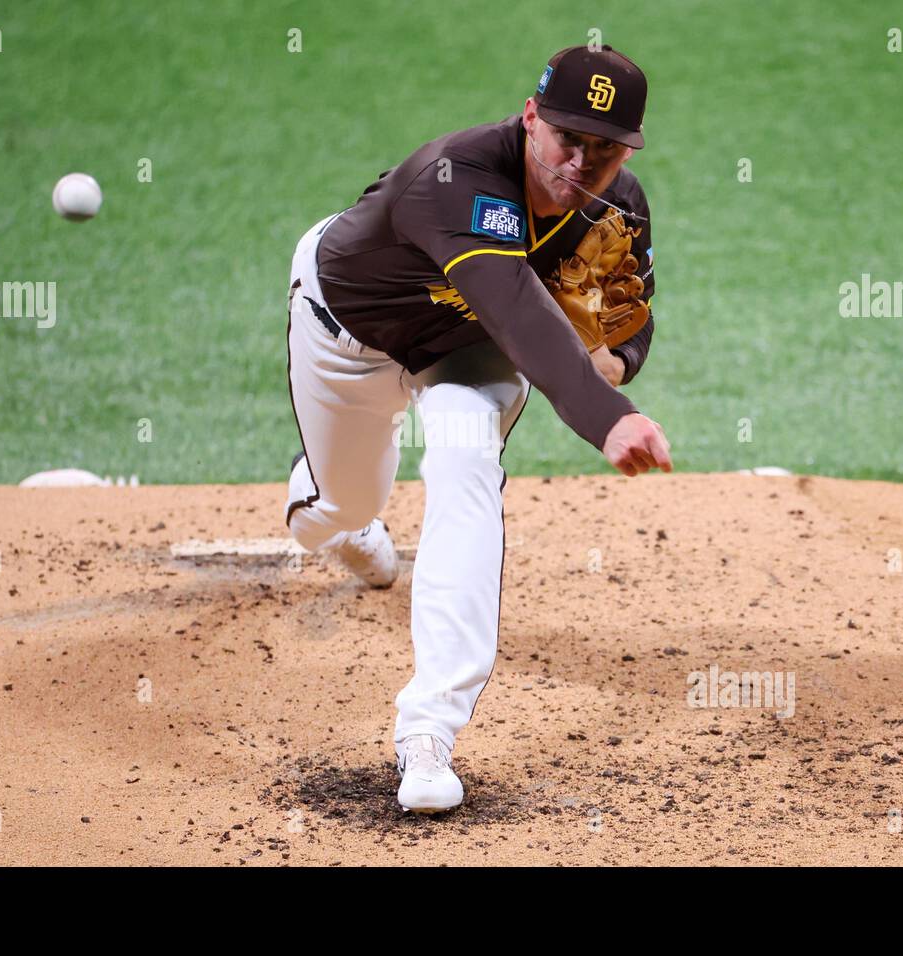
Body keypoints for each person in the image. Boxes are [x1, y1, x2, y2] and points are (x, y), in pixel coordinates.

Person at [284, 45, 671, 813]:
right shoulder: (456, 178)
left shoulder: (616, 204)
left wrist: (614, 369)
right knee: (342, 508)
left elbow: (624, 322)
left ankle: (428, 731)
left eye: (605, 148)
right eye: (568, 138)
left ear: (626, 149)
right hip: (345, 336)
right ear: (531, 119)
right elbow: (523, 313)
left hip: (466, 349)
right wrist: (607, 420)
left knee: (465, 465)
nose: (581, 162)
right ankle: (336, 510)